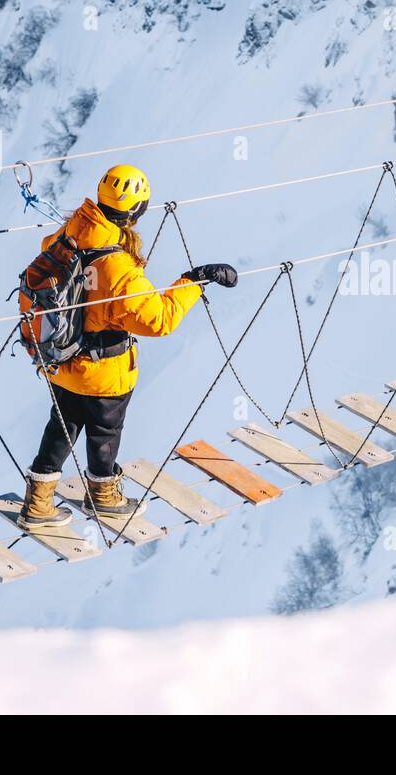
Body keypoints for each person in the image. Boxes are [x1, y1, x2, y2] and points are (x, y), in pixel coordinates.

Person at [17, 164, 238, 529]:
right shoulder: (118, 267)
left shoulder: (75, 230)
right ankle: (103, 495)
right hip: (104, 371)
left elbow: (46, 249)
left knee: (62, 425)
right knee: (104, 432)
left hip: (62, 358)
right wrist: (193, 281)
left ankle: (38, 502)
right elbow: (158, 320)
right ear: (136, 211)